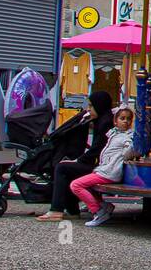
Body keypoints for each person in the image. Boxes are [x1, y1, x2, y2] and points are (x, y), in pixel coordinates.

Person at [37, 91, 114, 222]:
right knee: (67, 169)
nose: (88, 109)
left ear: (98, 106)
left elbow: (97, 149)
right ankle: (72, 210)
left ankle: (56, 210)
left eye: (91, 106)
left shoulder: (104, 123)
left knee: (62, 168)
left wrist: (78, 160)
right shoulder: (102, 119)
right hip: (102, 165)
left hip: (103, 168)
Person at [69, 103, 136, 227]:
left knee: (76, 185)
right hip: (106, 169)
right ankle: (103, 205)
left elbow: (128, 152)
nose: (126, 121)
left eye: (128, 119)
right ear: (115, 121)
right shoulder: (114, 134)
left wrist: (130, 148)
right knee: (87, 185)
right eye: (122, 118)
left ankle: (98, 210)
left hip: (110, 171)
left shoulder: (127, 137)